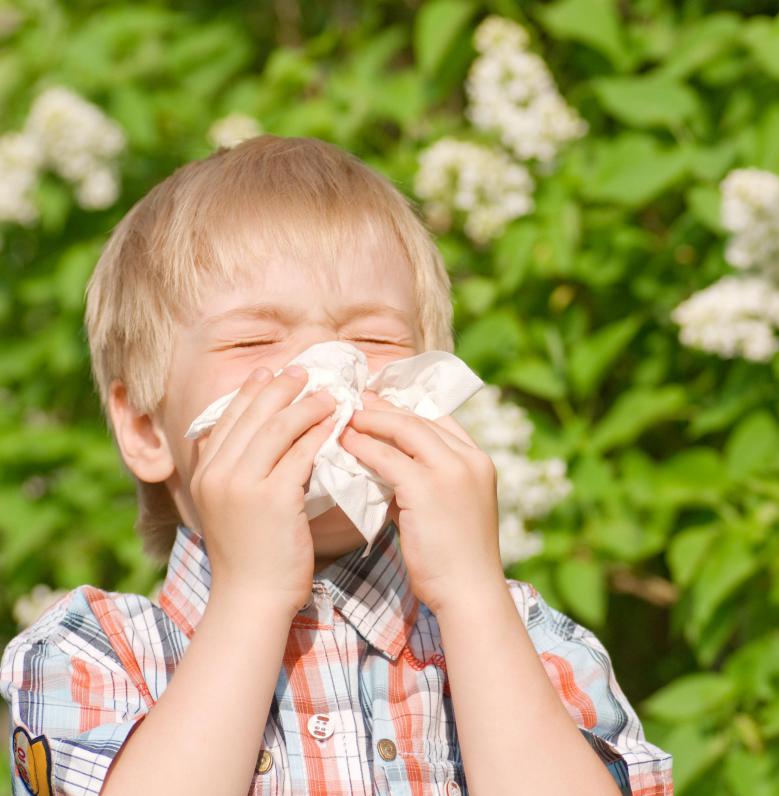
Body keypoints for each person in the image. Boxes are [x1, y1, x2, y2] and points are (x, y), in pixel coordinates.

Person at [0, 135, 673, 795]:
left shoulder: (525, 639)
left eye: (373, 337)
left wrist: (472, 593)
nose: (328, 370)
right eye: (254, 339)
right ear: (146, 428)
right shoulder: (91, 656)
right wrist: (254, 596)